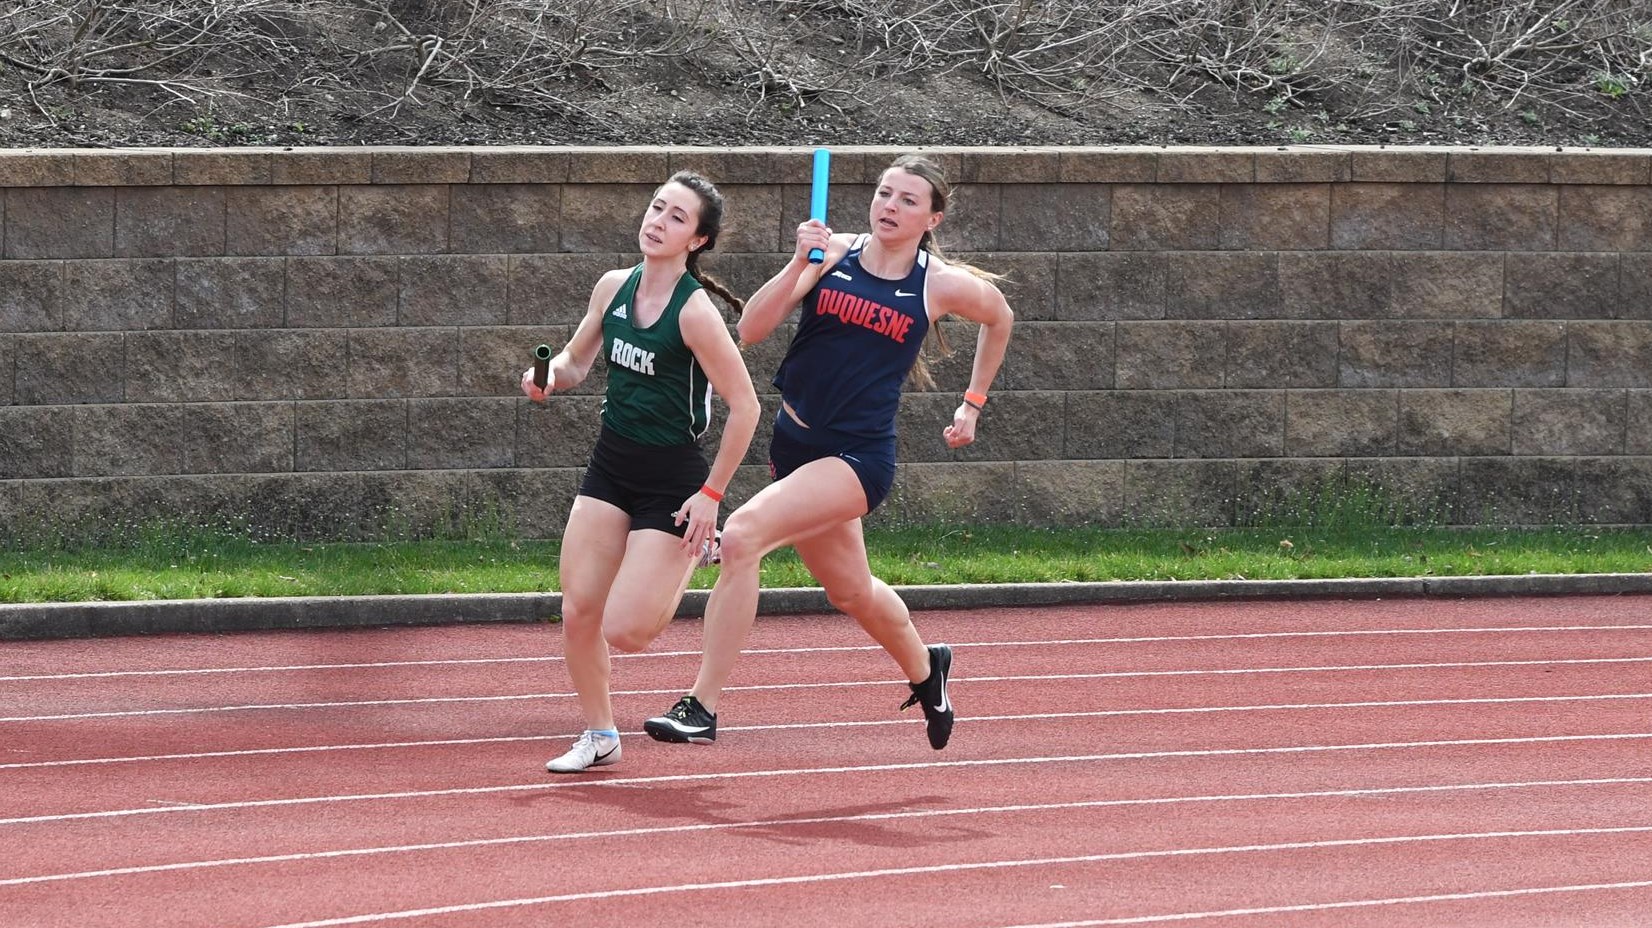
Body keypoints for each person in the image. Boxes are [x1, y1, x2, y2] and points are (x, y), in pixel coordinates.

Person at [643, 153, 1014, 751]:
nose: (890, 206)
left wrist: (972, 403)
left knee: (741, 537)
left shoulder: (937, 285)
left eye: (907, 200)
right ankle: (928, 667)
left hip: (857, 458)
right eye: (884, 193)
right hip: (795, 444)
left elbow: (1001, 317)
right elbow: (752, 329)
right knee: (851, 591)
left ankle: (701, 707)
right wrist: (799, 261)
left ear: (933, 220)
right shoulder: (832, 252)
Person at [522, 171, 759, 773]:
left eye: (677, 218)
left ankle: (692, 549)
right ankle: (600, 734)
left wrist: (711, 495)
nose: (658, 222)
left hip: (671, 480)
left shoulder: (696, 314)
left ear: (697, 241)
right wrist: (547, 379)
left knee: (626, 630)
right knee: (578, 611)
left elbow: (746, 408)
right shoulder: (613, 287)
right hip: (611, 463)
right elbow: (576, 362)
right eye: (657, 208)